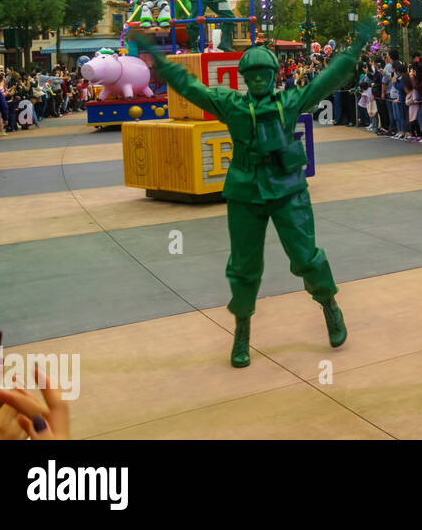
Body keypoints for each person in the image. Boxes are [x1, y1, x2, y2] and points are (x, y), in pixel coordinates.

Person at [134, 30, 370, 367]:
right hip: (246, 190)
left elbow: (325, 82)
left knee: (306, 256)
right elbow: (190, 87)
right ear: (245, 78)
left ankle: (329, 304)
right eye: (253, 75)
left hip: (288, 189)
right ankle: (242, 329)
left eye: (265, 74)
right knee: (244, 267)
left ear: (274, 76)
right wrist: (159, 61)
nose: (259, 80)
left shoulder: (288, 103)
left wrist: (353, 51)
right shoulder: (232, 106)